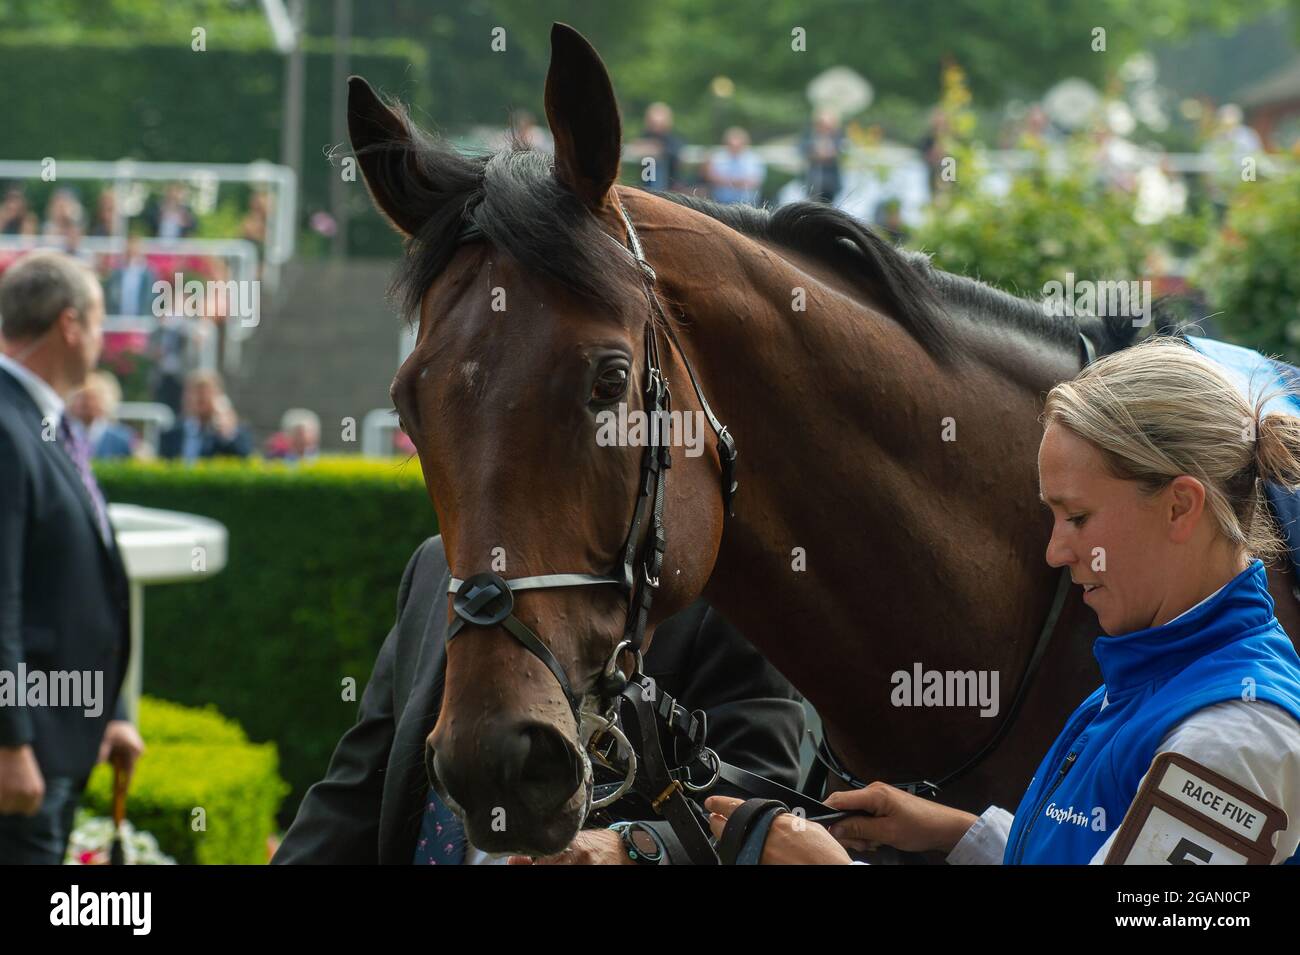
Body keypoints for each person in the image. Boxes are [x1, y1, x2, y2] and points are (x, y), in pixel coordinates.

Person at [709, 337, 1300, 864]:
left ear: (1180, 507)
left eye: (1078, 516)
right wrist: (961, 835)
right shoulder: (1164, 668)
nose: (1055, 551)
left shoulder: (1237, 735)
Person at [272, 534, 806, 865]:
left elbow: (765, 824)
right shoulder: (436, 566)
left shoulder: (719, 589)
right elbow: (352, 797)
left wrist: (638, 848)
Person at [0, 251, 144, 864]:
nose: (102, 341)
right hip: (22, 758)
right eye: (100, 321)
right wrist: (10, 744)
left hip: (58, 740)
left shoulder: (40, 420)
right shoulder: (7, 427)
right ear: (69, 325)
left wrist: (106, 711)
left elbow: (61, 588)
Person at [157, 369, 253, 462]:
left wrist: (226, 433)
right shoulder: (172, 434)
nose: (198, 398)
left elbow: (245, 459)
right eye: (194, 393)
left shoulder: (234, 434)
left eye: (204, 394)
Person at [66, 370, 136, 460]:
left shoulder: (122, 439)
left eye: (91, 398)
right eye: (80, 397)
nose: (86, 404)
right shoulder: (63, 435)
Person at [630, 102, 684, 194]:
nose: (657, 126)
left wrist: (658, 150)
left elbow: (674, 151)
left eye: (660, 123)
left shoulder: (672, 138)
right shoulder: (645, 136)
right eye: (654, 123)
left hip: (669, 187)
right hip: (645, 187)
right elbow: (634, 148)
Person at [705, 127, 765, 205]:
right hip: (720, 202)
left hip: (747, 204)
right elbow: (711, 178)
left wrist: (726, 181)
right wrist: (737, 182)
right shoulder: (717, 157)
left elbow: (754, 182)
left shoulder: (754, 159)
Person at [800, 108, 847, 204]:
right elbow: (802, 150)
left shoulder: (838, 137)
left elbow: (840, 152)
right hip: (813, 181)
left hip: (831, 182)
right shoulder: (810, 137)